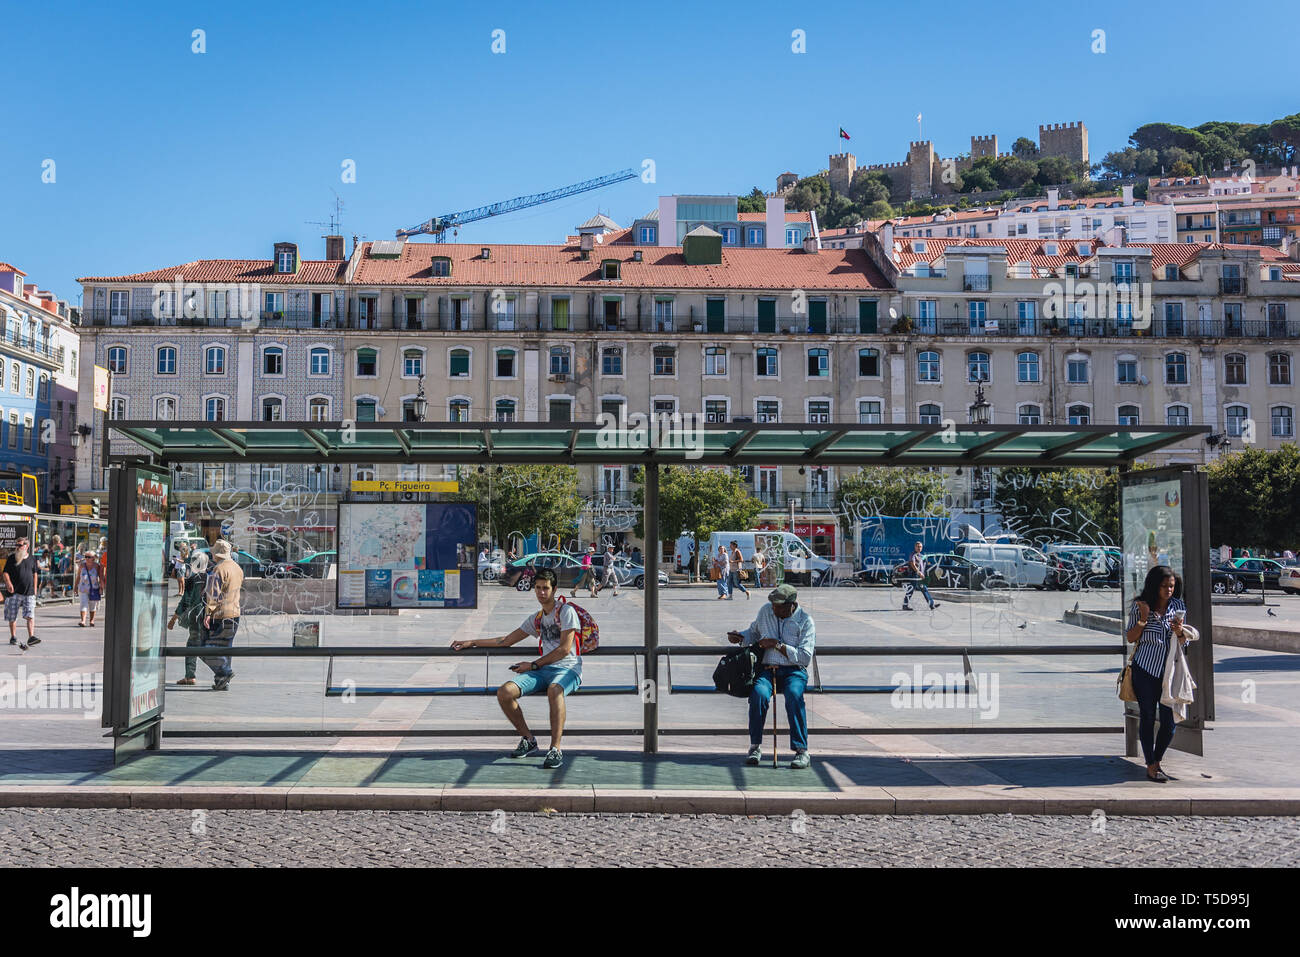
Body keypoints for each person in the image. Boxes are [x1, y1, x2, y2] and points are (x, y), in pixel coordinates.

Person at [451, 568, 580, 769]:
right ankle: (528, 740)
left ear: (554, 589)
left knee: (555, 691)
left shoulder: (566, 612)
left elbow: (564, 649)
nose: (541, 592)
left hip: (568, 670)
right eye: (537, 588)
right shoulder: (537, 618)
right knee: (504, 692)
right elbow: (506, 640)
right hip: (543, 670)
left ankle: (555, 749)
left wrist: (534, 664)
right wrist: (473, 642)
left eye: (545, 588)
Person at [727, 583, 817, 769]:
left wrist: (777, 645)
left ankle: (801, 750)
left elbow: (805, 657)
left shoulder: (806, 621)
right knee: (758, 695)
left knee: (794, 695)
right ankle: (755, 746)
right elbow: (753, 632)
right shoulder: (766, 611)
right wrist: (740, 637)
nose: (774, 609)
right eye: (773, 605)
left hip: (794, 671)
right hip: (767, 669)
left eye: (778, 606)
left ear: (791, 605)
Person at [1125, 564, 1191, 783]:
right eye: (1164, 586)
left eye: (1171, 586)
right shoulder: (1140, 606)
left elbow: (1184, 644)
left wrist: (1180, 632)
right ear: (1154, 586)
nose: (1168, 590)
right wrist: (1144, 618)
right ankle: (1151, 764)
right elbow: (1131, 637)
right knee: (1147, 716)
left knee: (1169, 722)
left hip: (1169, 672)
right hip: (1145, 670)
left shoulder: (1178, 606)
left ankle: (1156, 760)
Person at [200, 540, 244, 691]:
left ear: (217, 553)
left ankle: (225, 672)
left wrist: (208, 613)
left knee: (203, 647)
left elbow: (213, 594)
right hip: (235, 613)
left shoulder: (218, 569)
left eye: (213, 551)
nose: (211, 553)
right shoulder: (237, 568)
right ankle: (222, 681)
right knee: (226, 648)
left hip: (220, 614)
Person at [171, 551, 209, 685]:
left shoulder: (193, 579)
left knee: (192, 644)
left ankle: (190, 676)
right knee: (202, 642)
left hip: (196, 615)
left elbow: (186, 601)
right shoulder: (209, 577)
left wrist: (174, 618)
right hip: (208, 615)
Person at [3, 537, 38, 649]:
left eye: (20, 545)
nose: (17, 547)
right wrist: (8, 583)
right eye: (16, 545)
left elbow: (35, 574)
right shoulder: (12, 558)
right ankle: (13, 636)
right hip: (14, 593)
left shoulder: (32, 559)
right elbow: (5, 573)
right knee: (12, 616)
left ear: (26, 546)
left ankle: (31, 637)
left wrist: (35, 589)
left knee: (30, 615)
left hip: (29, 592)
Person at [901, 542, 938, 611]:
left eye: (920, 547)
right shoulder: (913, 555)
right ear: (915, 547)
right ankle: (905, 605)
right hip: (914, 575)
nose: (919, 548)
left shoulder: (920, 555)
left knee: (923, 589)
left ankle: (931, 605)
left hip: (918, 575)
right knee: (912, 590)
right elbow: (912, 564)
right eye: (918, 546)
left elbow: (923, 565)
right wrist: (919, 573)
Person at [77, 552, 103, 627]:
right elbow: (78, 576)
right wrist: (75, 587)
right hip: (82, 588)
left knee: (92, 605)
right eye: (86, 557)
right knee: (83, 604)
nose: (87, 558)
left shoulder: (97, 566)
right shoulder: (82, 566)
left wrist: (101, 587)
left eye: (89, 557)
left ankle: (92, 620)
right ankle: (83, 621)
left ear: (93, 558)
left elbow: (101, 577)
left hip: (94, 588)